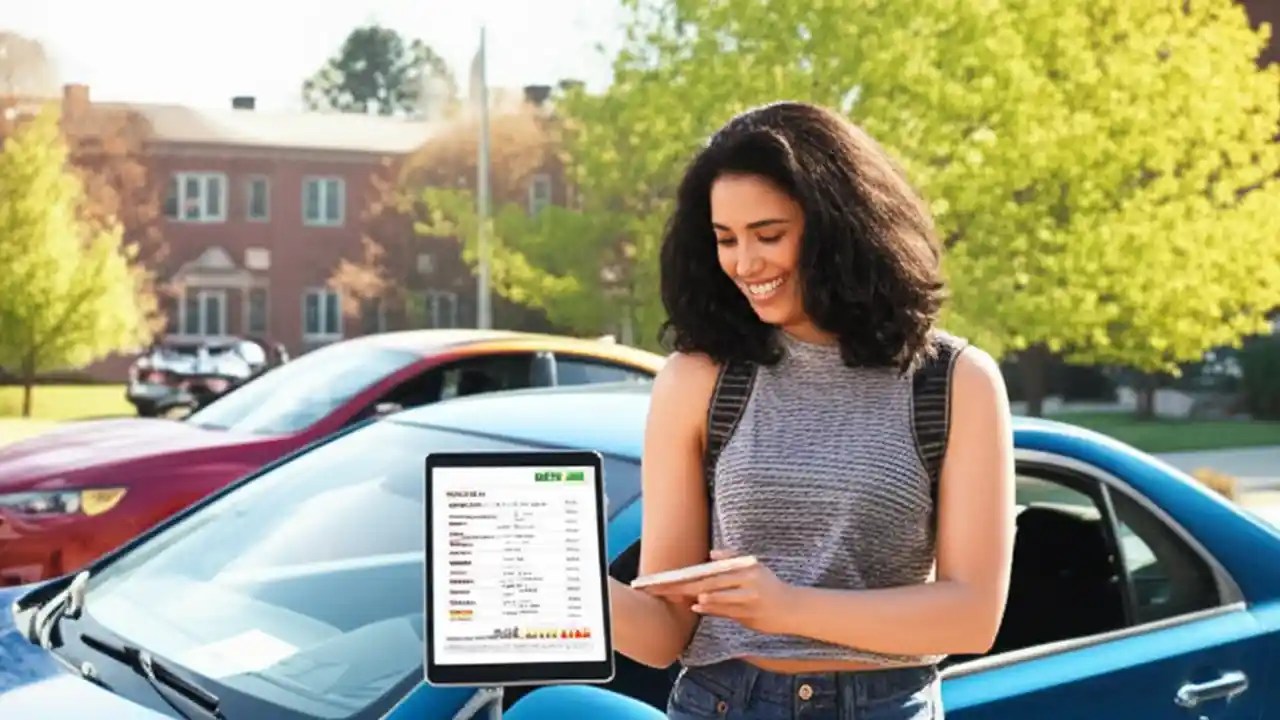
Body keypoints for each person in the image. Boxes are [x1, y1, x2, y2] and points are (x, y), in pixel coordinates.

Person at [607, 101, 1016, 719]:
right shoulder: (698, 380)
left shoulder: (955, 382)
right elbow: (665, 632)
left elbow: (972, 617)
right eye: (726, 239)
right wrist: (551, 582)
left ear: (838, 227)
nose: (745, 264)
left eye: (769, 235)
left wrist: (785, 605)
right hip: (723, 704)